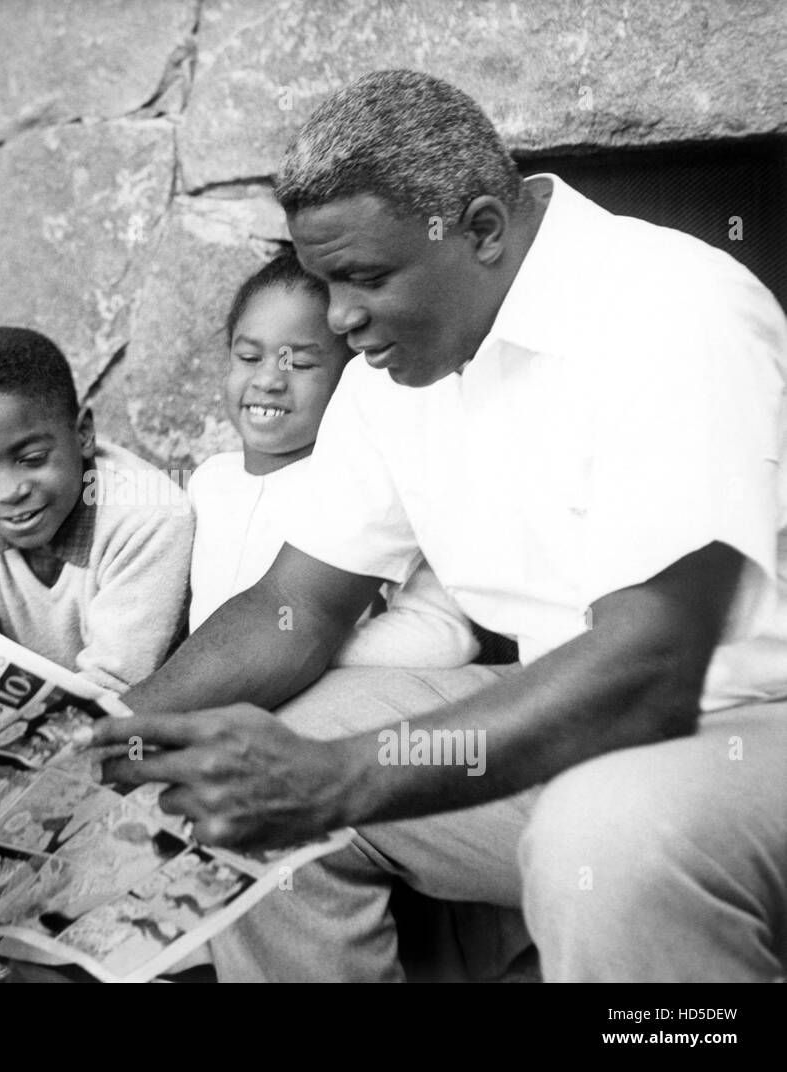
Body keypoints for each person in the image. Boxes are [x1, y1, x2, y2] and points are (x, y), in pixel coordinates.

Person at [88, 69, 787, 982]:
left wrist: (339, 777)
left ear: (484, 230)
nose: (340, 320)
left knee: (612, 834)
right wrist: (96, 739)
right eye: (325, 282)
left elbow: (650, 672)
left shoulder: (674, 308)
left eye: (365, 279)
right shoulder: (395, 367)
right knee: (234, 764)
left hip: (740, 728)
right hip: (565, 724)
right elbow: (293, 607)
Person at [189, 248, 477, 668]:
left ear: (354, 378)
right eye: (249, 357)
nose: (268, 379)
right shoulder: (209, 481)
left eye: (301, 363)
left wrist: (297, 652)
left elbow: (442, 639)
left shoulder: (373, 488)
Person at [0, 326, 194, 693]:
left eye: (32, 459)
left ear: (83, 434)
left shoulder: (148, 518)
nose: (9, 492)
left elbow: (114, 685)